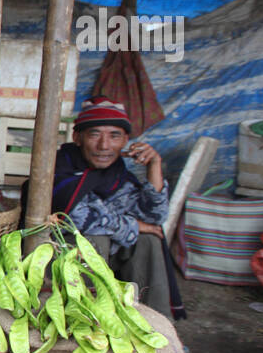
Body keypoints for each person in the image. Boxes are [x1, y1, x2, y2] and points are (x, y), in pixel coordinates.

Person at [40, 97, 184, 319]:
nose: (104, 145)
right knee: (93, 240)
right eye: (94, 134)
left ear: (126, 140)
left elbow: (155, 218)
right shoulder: (60, 167)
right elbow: (75, 217)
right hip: (59, 258)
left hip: (109, 256)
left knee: (148, 239)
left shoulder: (117, 175)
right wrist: (133, 225)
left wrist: (154, 166)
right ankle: (85, 320)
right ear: (77, 137)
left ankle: (153, 322)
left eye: (114, 136)